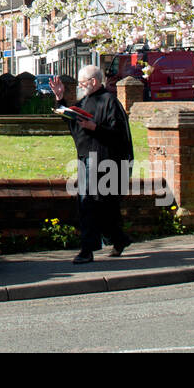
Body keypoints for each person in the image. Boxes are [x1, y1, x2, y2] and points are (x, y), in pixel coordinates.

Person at [68, 65, 134, 264]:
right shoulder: (85, 101)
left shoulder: (110, 102)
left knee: (90, 203)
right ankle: (119, 239)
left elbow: (119, 134)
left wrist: (95, 127)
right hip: (86, 157)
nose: (80, 86)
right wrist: (60, 100)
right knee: (99, 205)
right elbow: (74, 123)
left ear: (94, 82)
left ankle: (87, 250)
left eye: (82, 82)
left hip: (104, 160)